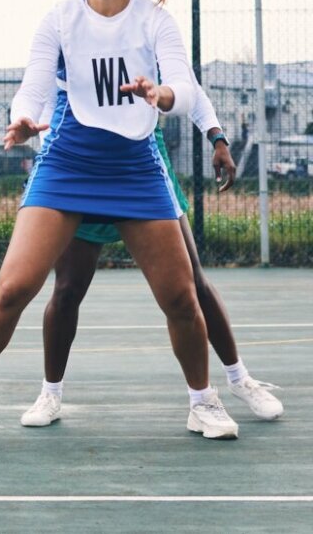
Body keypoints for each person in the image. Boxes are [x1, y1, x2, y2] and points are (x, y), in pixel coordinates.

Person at [0, 0, 240, 446]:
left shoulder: (154, 22)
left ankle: (204, 402)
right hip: (68, 162)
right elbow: (33, 85)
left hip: (135, 167)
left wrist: (161, 95)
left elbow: (183, 87)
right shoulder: (61, 18)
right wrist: (23, 118)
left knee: (182, 297)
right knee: (13, 289)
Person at [21, 73, 284, 427]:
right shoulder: (66, 28)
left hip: (142, 160)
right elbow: (41, 95)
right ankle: (49, 394)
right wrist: (33, 129)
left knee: (192, 284)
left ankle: (239, 379)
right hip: (81, 161)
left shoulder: (149, 27)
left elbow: (189, 89)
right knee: (67, 289)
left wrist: (218, 138)